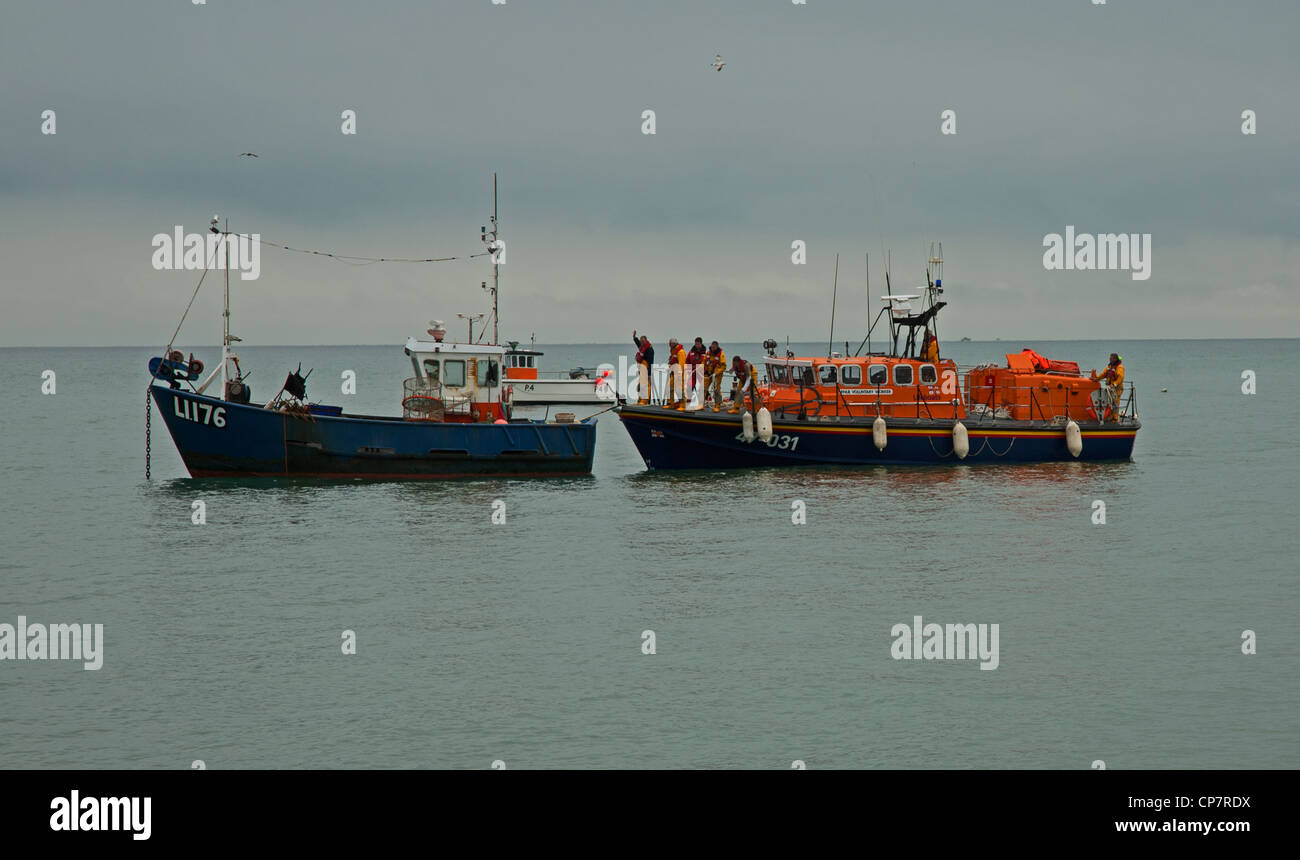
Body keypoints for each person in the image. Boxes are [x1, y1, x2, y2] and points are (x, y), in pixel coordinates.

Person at [1091, 353, 1125, 422]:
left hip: (1117, 389)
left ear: (1115, 359)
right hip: (1110, 388)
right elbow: (1104, 374)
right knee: (1109, 402)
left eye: (1111, 358)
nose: (1110, 359)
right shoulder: (1110, 367)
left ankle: (1115, 418)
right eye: (1110, 358)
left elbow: (1120, 377)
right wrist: (1096, 379)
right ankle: (1110, 416)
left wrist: (1115, 384)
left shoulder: (1119, 368)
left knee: (1115, 403)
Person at [702, 340, 727, 412]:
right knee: (703, 388)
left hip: (717, 375)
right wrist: (702, 370)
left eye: (714, 347)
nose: (713, 348)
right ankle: (701, 404)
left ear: (717, 347)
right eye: (712, 347)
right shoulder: (708, 353)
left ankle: (717, 405)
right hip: (708, 374)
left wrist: (717, 372)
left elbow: (723, 366)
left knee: (717, 390)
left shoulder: (721, 354)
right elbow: (703, 362)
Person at [684, 337, 707, 409]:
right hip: (693, 371)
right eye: (696, 344)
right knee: (690, 385)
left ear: (701, 344)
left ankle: (704, 401)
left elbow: (707, 362)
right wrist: (688, 370)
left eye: (698, 344)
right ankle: (689, 399)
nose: (697, 345)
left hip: (701, 372)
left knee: (702, 387)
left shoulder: (705, 353)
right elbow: (687, 361)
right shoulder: (691, 352)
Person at [632, 330, 654, 405]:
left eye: (643, 341)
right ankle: (640, 399)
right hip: (642, 370)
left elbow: (651, 362)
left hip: (647, 370)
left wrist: (649, 374)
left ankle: (645, 401)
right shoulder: (642, 347)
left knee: (646, 385)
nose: (641, 343)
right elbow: (638, 344)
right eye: (641, 341)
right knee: (641, 385)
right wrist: (634, 337)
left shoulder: (649, 349)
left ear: (646, 341)